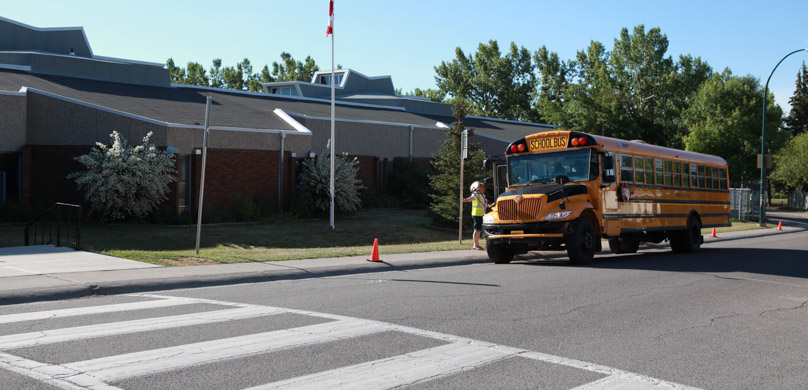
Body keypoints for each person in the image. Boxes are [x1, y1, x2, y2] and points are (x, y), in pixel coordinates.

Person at [463, 181, 489, 250]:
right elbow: (470, 198)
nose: (483, 188)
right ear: (479, 188)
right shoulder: (476, 194)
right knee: (477, 229)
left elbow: (485, 205)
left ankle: (477, 244)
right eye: (482, 187)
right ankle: (476, 245)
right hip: (476, 214)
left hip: (482, 214)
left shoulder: (482, 195)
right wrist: (465, 200)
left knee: (479, 229)